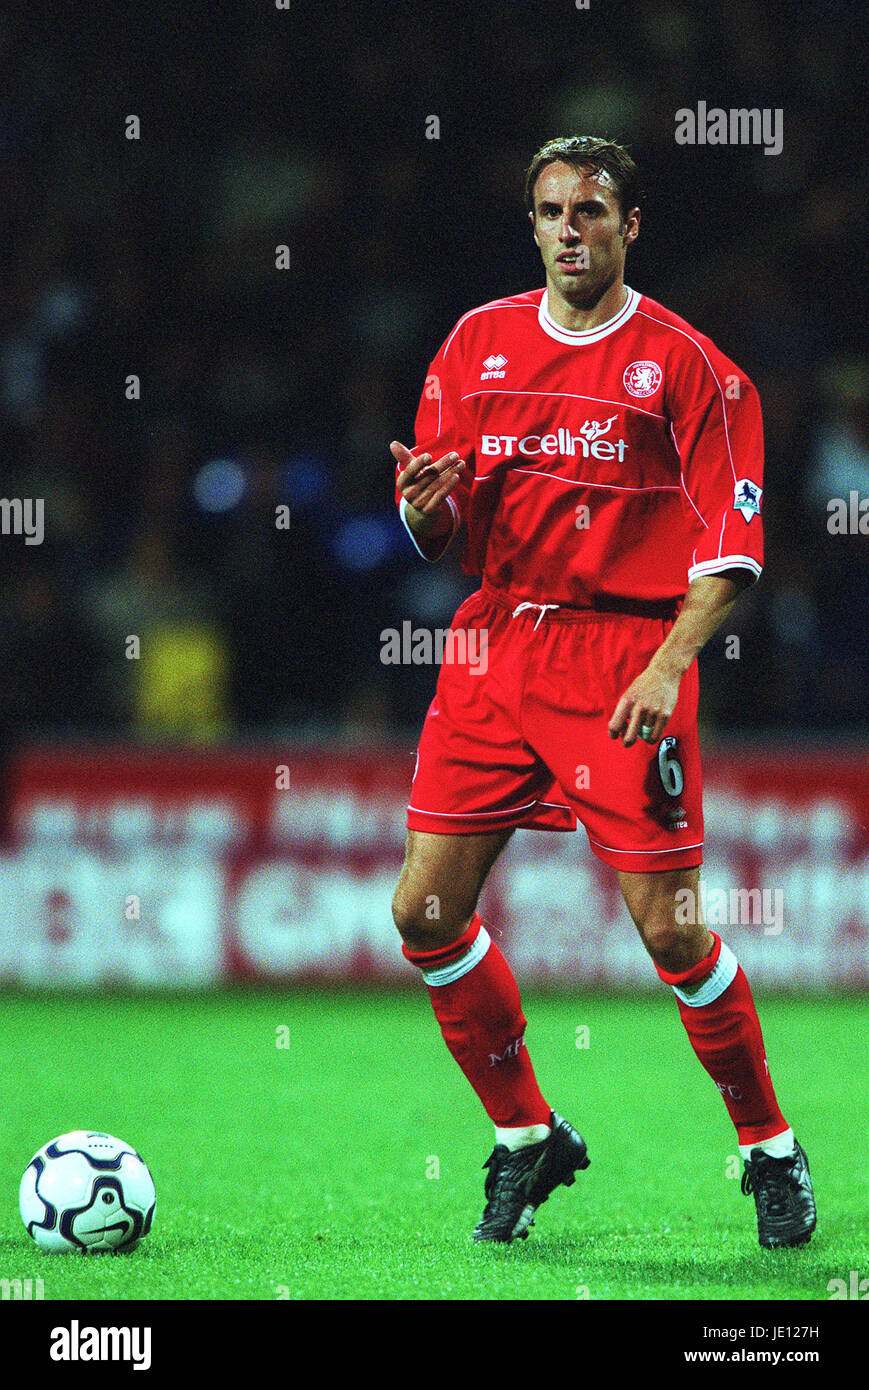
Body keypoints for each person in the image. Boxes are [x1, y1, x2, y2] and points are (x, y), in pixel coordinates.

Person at [389, 135, 816, 1249]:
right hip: (495, 645)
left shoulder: (692, 369)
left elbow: (731, 551)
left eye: (588, 211)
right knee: (423, 913)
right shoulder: (475, 344)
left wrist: (668, 664)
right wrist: (425, 511)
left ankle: (768, 1149)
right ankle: (525, 1136)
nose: (567, 230)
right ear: (530, 226)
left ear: (629, 225)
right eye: (549, 212)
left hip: (624, 654)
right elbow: (440, 523)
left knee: (670, 933)